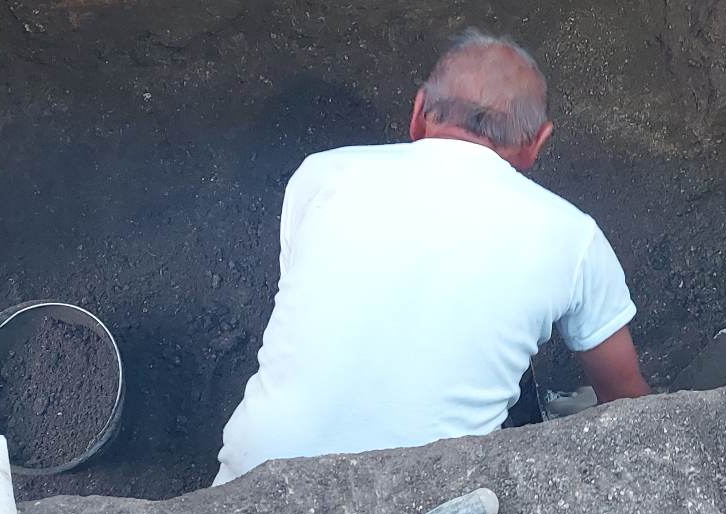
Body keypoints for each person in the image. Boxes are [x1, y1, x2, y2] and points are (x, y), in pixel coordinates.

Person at [213, 30, 649, 483]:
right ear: (536, 144)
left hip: (250, 482)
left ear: (419, 112)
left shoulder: (324, 175)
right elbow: (627, 402)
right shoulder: (573, 237)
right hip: (424, 504)